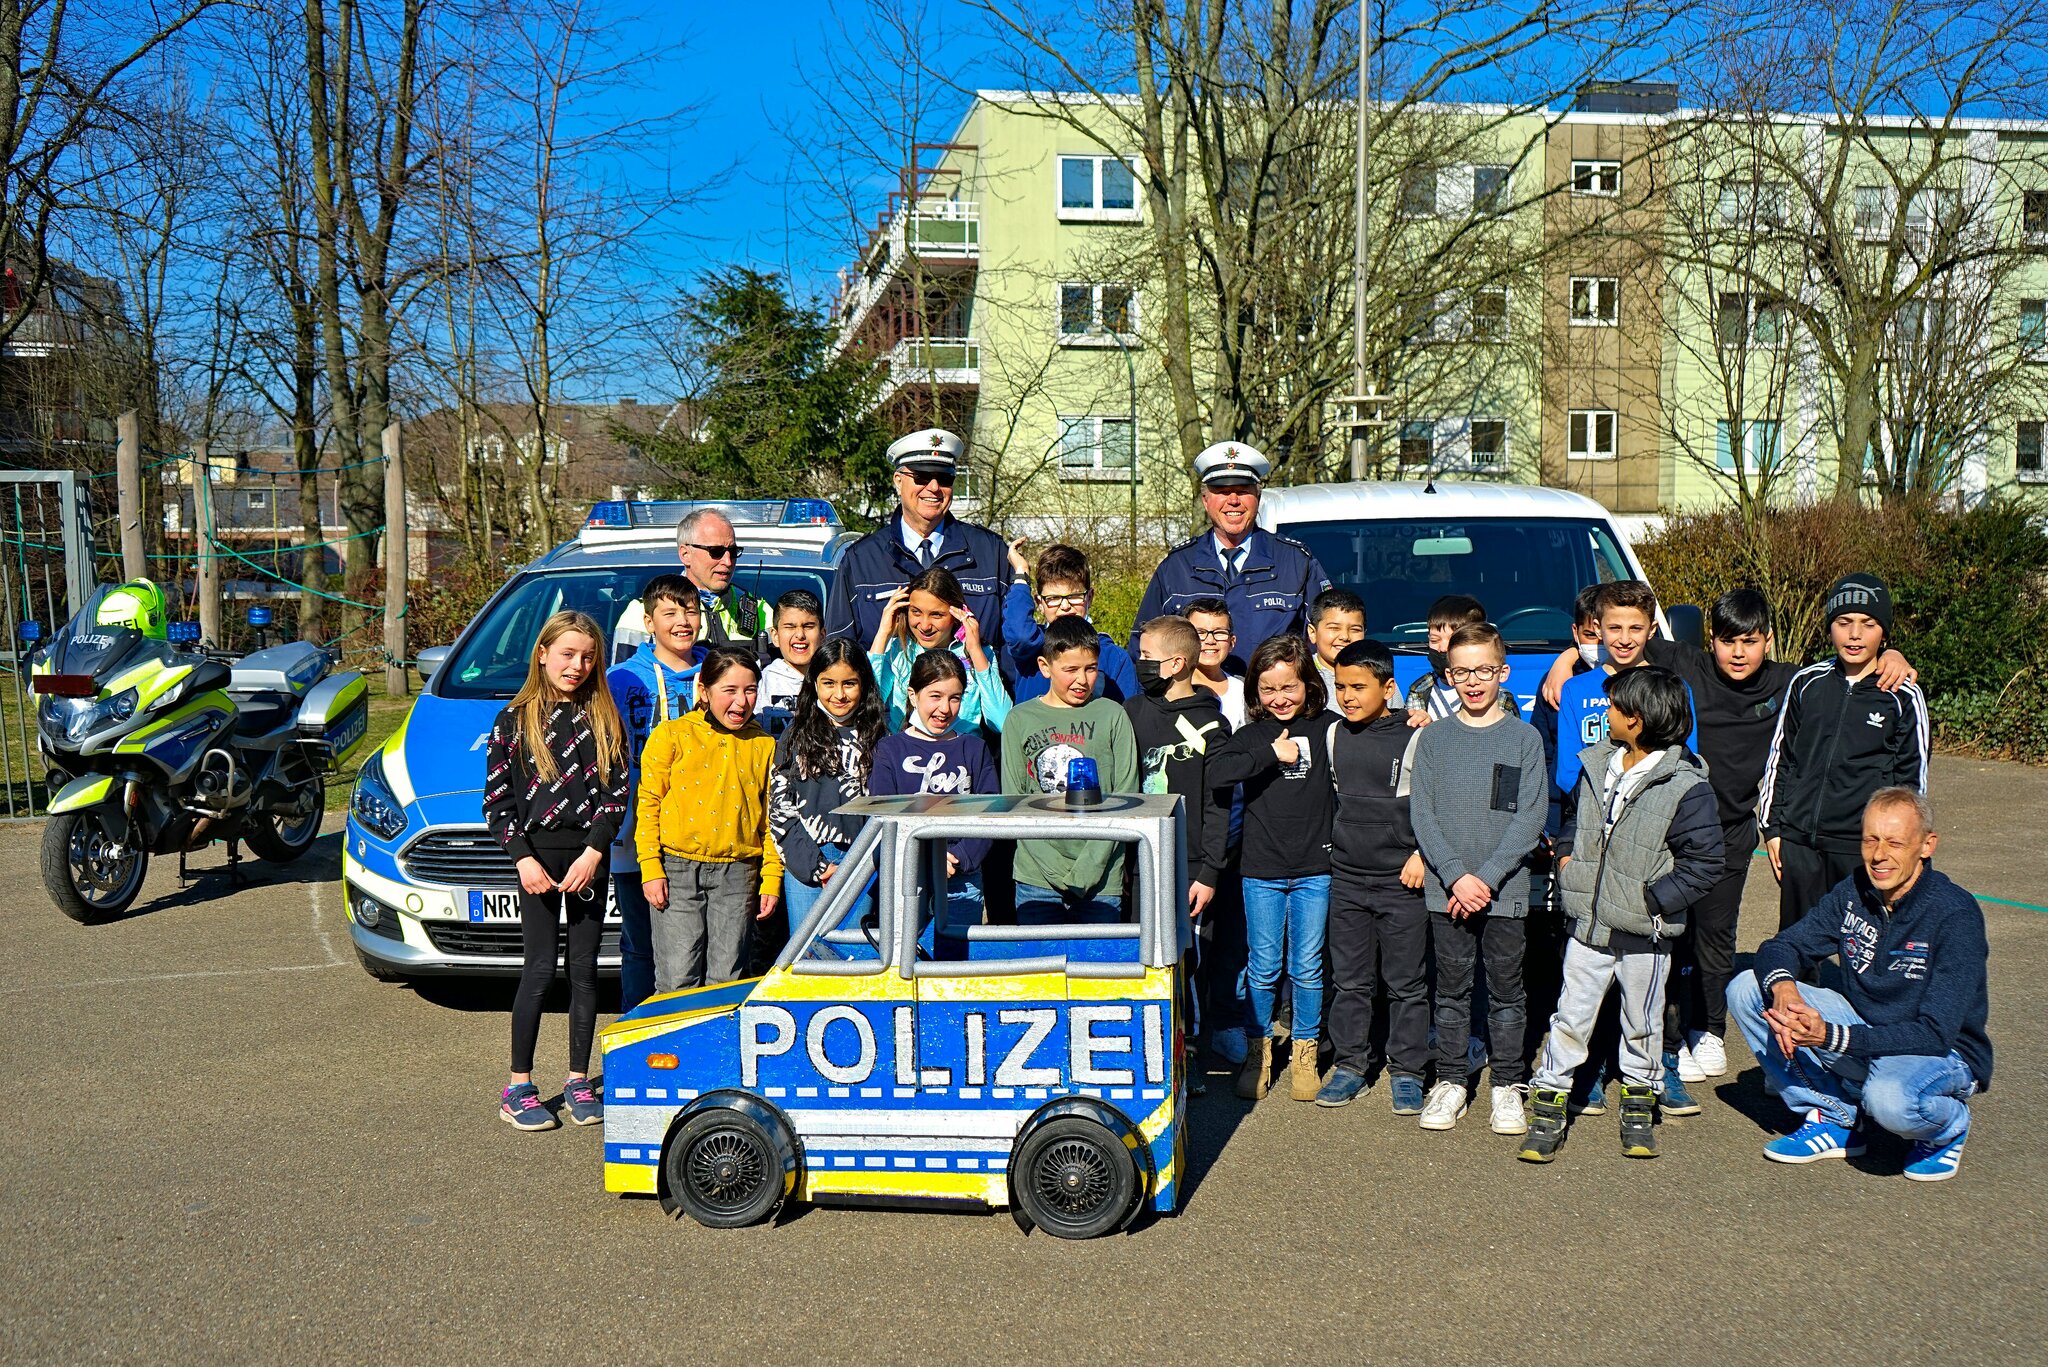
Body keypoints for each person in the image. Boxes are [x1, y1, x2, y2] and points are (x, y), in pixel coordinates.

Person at [1728, 788, 1990, 1182]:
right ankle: (1835, 1118)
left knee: (1889, 1100)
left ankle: (1946, 1127)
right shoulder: (1855, 893)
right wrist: (1784, 989)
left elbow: (1934, 1032)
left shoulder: (1954, 914)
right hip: (1867, 1031)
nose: (1879, 854)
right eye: (1870, 839)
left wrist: (1830, 1037)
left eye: (1895, 842)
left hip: (1941, 1051)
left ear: (1926, 845)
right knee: (1750, 988)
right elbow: (1785, 946)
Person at [1518, 666, 1724, 1162]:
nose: (1603, 714)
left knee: (1643, 1022)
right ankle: (1549, 1102)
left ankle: (1638, 1104)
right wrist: (1568, 861)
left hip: (1644, 935)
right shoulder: (1595, 765)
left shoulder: (1685, 784)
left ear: (1636, 719)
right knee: (1570, 1014)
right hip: (1587, 926)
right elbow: (1573, 820)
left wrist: (1653, 901)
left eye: (1612, 708)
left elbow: (1707, 861)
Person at [483, 610, 630, 1132]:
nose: (577, 665)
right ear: (542, 653)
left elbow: (617, 795)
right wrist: (522, 858)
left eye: (588, 657)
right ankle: (519, 1085)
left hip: (589, 858)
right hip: (537, 860)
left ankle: (576, 1078)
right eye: (567, 654)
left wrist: (594, 852)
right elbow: (496, 804)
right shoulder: (512, 721)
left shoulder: (605, 717)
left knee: (585, 972)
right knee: (541, 969)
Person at [1409, 622, 1547, 1134]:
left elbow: (1528, 817)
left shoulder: (1523, 738)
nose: (1473, 681)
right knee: (1450, 988)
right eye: (1462, 672)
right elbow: (1422, 814)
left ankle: (1508, 1084)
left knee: (1508, 990)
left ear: (1503, 672)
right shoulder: (1435, 740)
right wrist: (1454, 876)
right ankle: (1450, 1080)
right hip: (1446, 890)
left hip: (1504, 890)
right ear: (1448, 676)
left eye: (1484, 671)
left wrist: (1484, 879)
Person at [1758, 573, 1929, 931]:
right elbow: (1782, 758)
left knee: (1866, 953)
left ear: (1884, 632)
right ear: (1830, 627)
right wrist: (1773, 829)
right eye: (1843, 622)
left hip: (1862, 847)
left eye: (1868, 624)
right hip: (1800, 842)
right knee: (1797, 949)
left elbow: (1911, 783)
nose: (1854, 634)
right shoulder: (1807, 683)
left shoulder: (1902, 695)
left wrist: (1898, 847)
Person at [1317, 640, 1431, 1115]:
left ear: (1388, 687)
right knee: (1350, 980)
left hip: (1401, 880)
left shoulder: (1418, 733)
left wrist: (1424, 855)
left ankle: (1407, 1071)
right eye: (1340, 686)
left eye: (1358, 687)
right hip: (1347, 877)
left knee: (1407, 981)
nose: (1347, 696)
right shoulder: (1333, 734)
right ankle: (1350, 1066)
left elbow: (1435, 803)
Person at [636, 645, 782, 991]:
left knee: (727, 979)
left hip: (738, 873)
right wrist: (650, 868)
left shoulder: (764, 745)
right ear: (704, 690)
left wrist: (771, 879)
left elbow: (774, 819)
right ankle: (671, 1046)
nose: (740, 702)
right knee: (677, 977)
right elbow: (648, 804)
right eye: (729, 690)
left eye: (749, 690)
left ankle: (715, 1046)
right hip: (677, 870)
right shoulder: (673, 735)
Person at [1228, 635, 1336, 1103]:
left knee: (1308, 967)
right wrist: (1273, 753)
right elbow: (1220, 771)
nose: (1280, 698)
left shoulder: (1330, 728)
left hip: (1316, 867)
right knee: (1264, 966)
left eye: (1289, 687)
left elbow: (1377, 733)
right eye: (1269, 690)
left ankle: (1305, 1052)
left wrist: (1411, 717)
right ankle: (1259, 1051)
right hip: (1262, 870)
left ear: (1308, 685)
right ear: (1255, 692)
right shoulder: (1250, 736)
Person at [1128, 441, 1331, 673]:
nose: (1233, 500)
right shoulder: (1177, 567)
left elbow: (1327, 641)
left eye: (1243, 491)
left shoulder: (1295, 562)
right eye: (1222, 492)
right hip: (1194, 705)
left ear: (1258, 497)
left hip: (1274, 703)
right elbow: (1141, 648)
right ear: (1205, 500)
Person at [825, 427, 1015, 669]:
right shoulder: (861, 559)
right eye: (922, 478)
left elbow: (1013, 649)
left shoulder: (990, 553)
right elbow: (839, 651)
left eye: (944, 478)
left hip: (975, 705)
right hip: (888, 705)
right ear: (898, 481)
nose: (934, 487)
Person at [1001, 615, 1140, 923]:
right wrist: (1052, 869)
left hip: (1102, 879)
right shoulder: (1019, 719)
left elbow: (1127, 797)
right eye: (1071, 670)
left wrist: (1091, 866)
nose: (1082, 679)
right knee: (1039, 969)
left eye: (1090, 668)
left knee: (1095, 969)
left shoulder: (1113, 715)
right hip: (1036, 878)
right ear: (1045, 666)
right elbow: (1014, 802)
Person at [607, 575, 704, 1011]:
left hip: (700, 823)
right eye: (670, 613)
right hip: (636, 825)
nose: (683, 622)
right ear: (648, 622)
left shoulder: (718, 670)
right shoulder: (621, 678)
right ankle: (635, 1030)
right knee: (640, 940)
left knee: (696, 940)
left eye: (691, 611)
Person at [870, 649, 1001, 933]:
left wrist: (960, 858)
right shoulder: (889, 750)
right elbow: (882, 819)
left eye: (955, 698)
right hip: (906, 879)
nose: (945, 708)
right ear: (913, 695)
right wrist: (926, 859)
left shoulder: (974, 749)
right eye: (935, 696)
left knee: (954, 964)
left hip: (962, 880)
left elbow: (990, 814)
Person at [768, 641, 884, 935]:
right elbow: (780, 811)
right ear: (814, 683)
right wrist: (817, 866)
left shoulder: (881, 737)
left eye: (850, 683)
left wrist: (865, 865)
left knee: (853, 954)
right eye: (828, 683)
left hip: (864, 863)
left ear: (864, 684)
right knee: (808, 957)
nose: (839, 694)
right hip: (807, 862)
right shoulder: (795, 736)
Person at [1552, 580, 1699, 799]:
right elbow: (1567, 772)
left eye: (1635, 629)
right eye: (1614, 628)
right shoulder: (1575, 689)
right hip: (1592, 809)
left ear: (1652, 629)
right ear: (1597, 627)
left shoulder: (1674, 688)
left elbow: (1686, 758)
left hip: (1655, 810)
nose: (1624, 639)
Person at [868, 565, 1012, 733]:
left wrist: (975, 652)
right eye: (916, 612)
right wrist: (883, 634)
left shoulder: (978, 653)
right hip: (904, 753)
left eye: (936, 615)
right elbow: (866, 707)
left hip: (961, 755)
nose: (924, 625)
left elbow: (1003, 722)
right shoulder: (898, 649)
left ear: (958, 612)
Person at [1003, 541, 1141, 703]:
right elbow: (1020, 634)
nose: (1065, 606)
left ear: (1089, 597)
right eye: (1053, 598)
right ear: (1040, 603)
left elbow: (1127, 716)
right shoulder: (1032, 647)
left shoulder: (1113, 657)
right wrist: (1021, 574)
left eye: (1074, 596)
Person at [1405, 595, 1521, 723]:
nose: (1443, 648)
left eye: (1452, 640)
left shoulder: (1497, 699)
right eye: (1434, 640)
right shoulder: (1419, 690)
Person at [673, 507, 771, 657]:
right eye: (716, 551)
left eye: (732, 552)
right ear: (685, 554)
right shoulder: (648, 610)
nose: (727, 561)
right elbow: (630, 675)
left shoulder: (759, 609)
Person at [759, 589, 825, 714]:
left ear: (822, 635)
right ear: (775, 636)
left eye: (808, 626)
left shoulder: (836, 681)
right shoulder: (760, 684)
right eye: (790, 627)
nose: (800, 635)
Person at [1185, 597, 1247, 728]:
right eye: (1200, 633)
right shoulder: (1173, 687)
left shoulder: (1244, 689)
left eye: (1219, 632)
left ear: (1232, 642)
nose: (1210, 640)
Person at [1306, 588, 1367, 697]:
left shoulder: (1376, 676)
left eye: (1355, 630)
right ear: (1312, 633)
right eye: (1334, 628)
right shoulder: (1299, 676)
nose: (1345, 637)